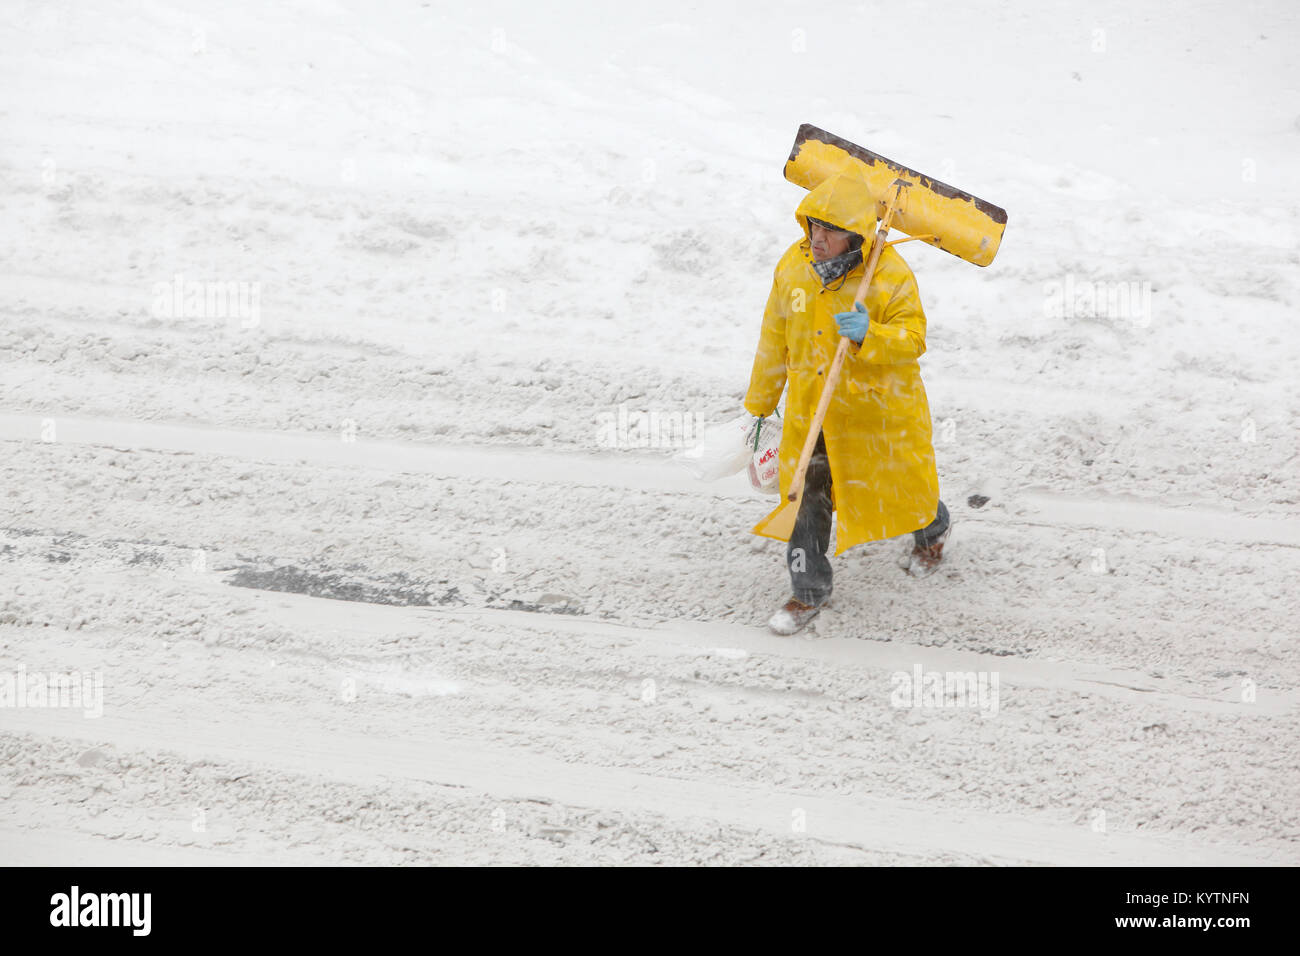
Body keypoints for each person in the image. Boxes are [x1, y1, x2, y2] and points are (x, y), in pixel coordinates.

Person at [743, 170, 950, 635]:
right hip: (810, 411)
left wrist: (870, 335)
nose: (818, 238)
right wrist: (760, 401)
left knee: (899, 485)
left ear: (855, 235)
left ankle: (932, 531)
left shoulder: (888, 273)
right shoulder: (792, 268)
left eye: (831, 230)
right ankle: (807, 592)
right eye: (814, 226)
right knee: (803, 498)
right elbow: (773, 338)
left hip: (875, 412)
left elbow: (914, 337)